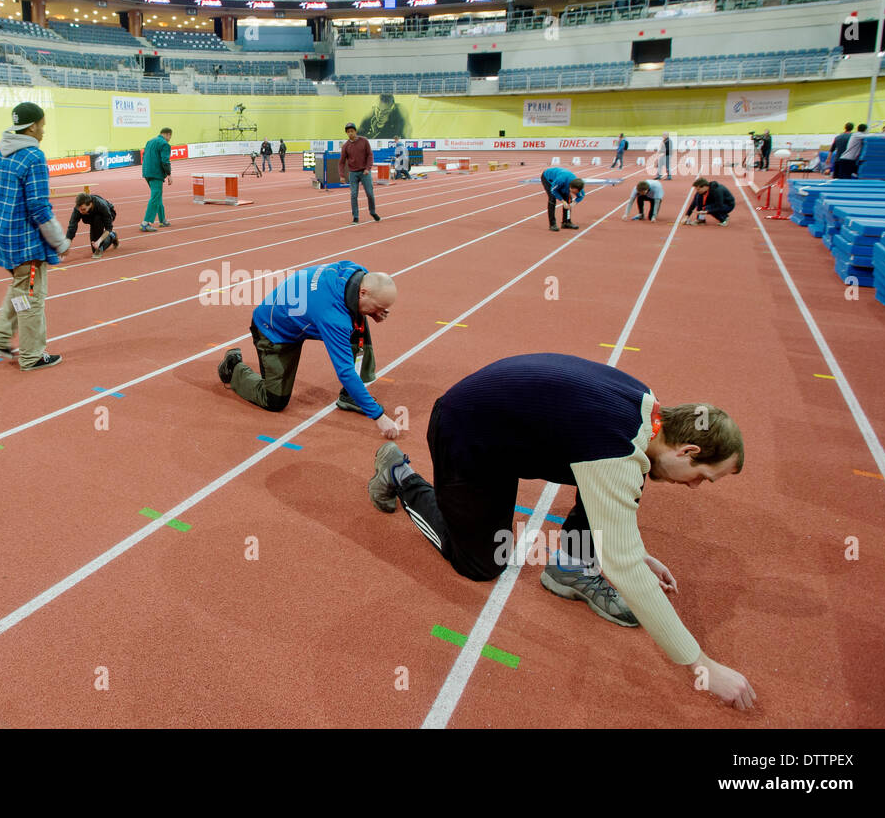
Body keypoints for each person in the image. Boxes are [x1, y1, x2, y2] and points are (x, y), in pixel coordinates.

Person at [365, 353, 754, 710]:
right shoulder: (618, 447)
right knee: (479, 564)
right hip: (465, 434)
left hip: (501, 426)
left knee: (629, 472)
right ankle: (399, 473)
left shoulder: (648, 414)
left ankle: (568, 565)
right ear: (688, 451)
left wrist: (631, 548)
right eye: (702, 478)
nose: (693, 487)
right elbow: (625, 569)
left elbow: (616, 484)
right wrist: (701, 666)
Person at [217, 260, 401, 440]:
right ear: (363, 292)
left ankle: (350, 395)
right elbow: (344, 371)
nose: (380, 312)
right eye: (379, 307)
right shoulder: (332, 316)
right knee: (274, 400)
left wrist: (372, 310)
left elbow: (357, 298)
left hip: (302, 316)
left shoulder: (355, 271)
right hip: (273, 331)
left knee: (358, 322)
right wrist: (378, 416)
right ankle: (233, 367)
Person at [0, 101, 69, 371]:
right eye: (42, 125)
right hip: (25, 242)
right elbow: (39, 207)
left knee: (21, 287)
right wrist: (60, 241)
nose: (43, 131)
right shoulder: (33, 158)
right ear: (32, 126)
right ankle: (32, 355)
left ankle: (0, 337)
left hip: (0, 238)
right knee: (31, 297)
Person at [340, 121, 380, 224]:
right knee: (353, 195)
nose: (350, 133)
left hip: (364, 172)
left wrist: (368, 168)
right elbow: (341, 162)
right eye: (348, 132)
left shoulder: (364, 141)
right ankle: (356, 217)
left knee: (370, 194)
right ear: (346, 133)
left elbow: (370, 155)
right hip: (353, 173)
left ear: (355, 131)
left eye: (352, 131)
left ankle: (372, 212)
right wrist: (342, 176)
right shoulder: (345, 146)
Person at [67, 191, 119, 259]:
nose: (80, 212)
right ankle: (108, 238)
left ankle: (112, 235)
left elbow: (108, 227)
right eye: (79, 209)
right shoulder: (79, 208)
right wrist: (66, 245)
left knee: (98, 246)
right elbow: (72, 226)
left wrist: (99, 241)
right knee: (95, 247)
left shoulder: (101, 206)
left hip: (108, 214)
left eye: (83, 209)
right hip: (91, 217)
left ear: (90, 204)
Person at [141, 126, 173, 232]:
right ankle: (146, 222)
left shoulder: (150, 141)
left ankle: (162, 219)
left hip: (147, 172)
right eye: (170, 136)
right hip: (156, 173)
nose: (170, 138)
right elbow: (165, 161)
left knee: (157, 196)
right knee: (155, 197)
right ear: (168, 134)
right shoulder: (164, 144)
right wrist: (169, 174)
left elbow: (144, 155)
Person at [541, 166, 584, 231]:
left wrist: (573, 204)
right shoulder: (561, 180)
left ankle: (566, 222)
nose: (574, 193)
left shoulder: (578, 186)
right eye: (573, 191)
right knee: (552, 198)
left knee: (569, 199)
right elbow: (553, 190)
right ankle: (552, 224)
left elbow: (581, 196)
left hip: (563, 179)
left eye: (576, 192)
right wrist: (563, 201)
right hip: (547, 177)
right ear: (570, 187)